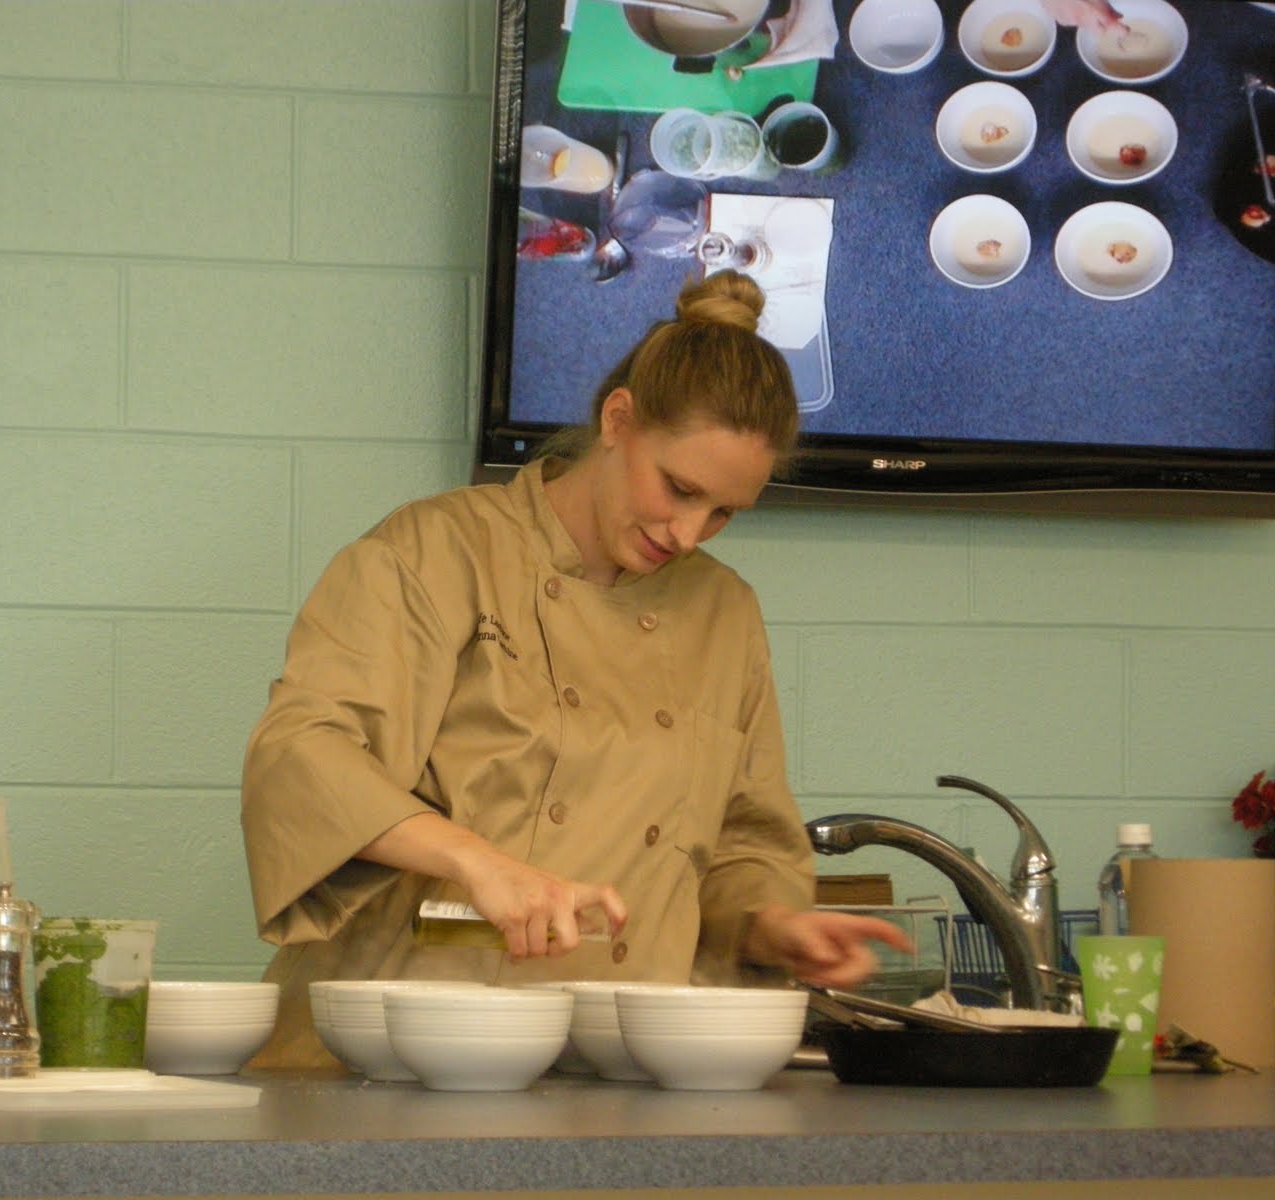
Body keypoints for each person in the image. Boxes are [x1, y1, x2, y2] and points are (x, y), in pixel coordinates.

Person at [241, 270, 911, 1068]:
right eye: (680, 488)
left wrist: (777, 926)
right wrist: (479, 864)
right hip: (395, 1056)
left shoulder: (724, 613)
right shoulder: (438, 552)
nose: (691, 532)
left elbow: (740, 845)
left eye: (725, 512)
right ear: (618, 420)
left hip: (613, 1067)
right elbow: (303, 755)